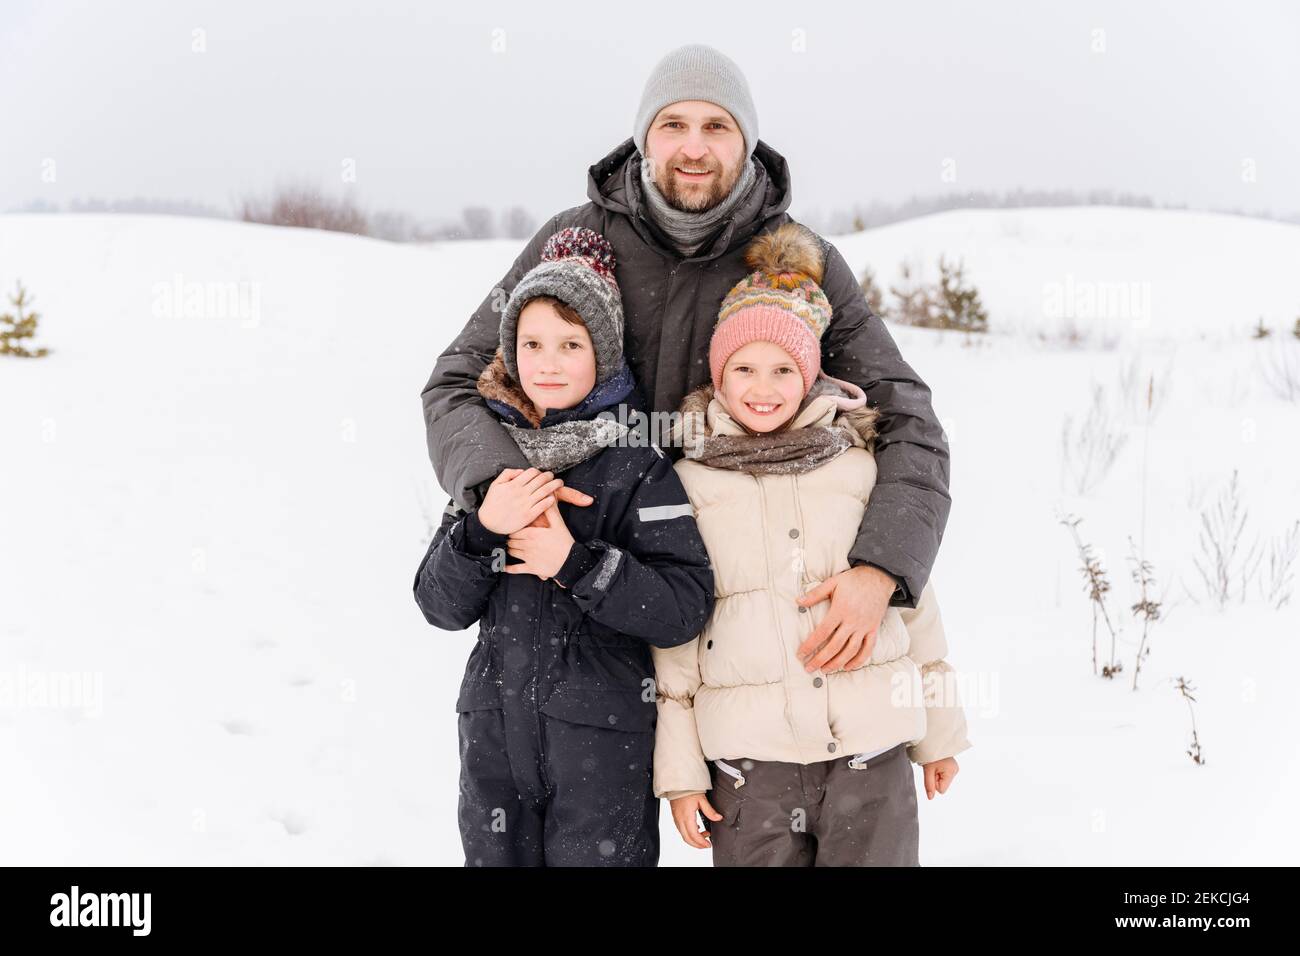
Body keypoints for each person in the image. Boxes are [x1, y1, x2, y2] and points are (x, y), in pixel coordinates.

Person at [421, 44, 952, 680]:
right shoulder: (572, 243)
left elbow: (906, 416)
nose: (693, 148)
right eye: (673, 125)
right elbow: (455, 383)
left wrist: (882, 568)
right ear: (645, 136)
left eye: (716, 127)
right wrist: (506, 492)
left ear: (747, 142)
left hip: (737, 618)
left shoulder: (799, 263)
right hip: (580, 597)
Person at [652, 222, 972, 866]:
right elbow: (675, 643)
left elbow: (917, 610)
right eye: (742, 368)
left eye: (782, 369)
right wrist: (682, 773)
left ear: (812, 375)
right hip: (750, 766)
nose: (761, 387)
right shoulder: (687, 482)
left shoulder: (857, 467)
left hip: (871, 753)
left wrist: (939, 733)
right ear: (718, 375)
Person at [412, 226, 714, 866]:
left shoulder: (637, 466)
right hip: (494, 743)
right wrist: (482, 527)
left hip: (602, 751)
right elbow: (439, 605)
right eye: (532, 344)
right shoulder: (494, 462)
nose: (547, 362)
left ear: (602, 356)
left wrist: (577, 564)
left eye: (570, 345)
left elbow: (684, 608)